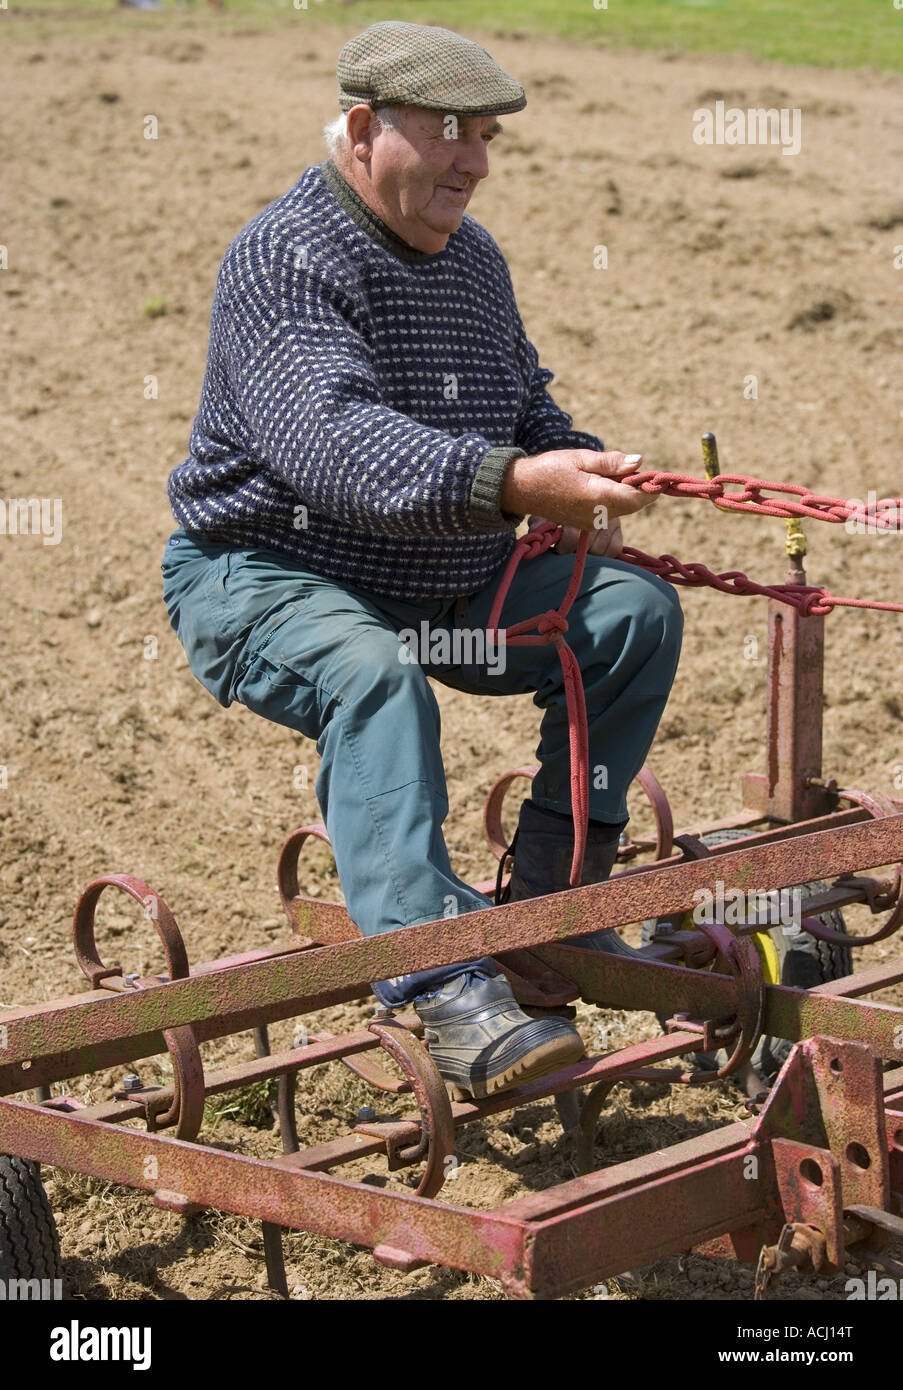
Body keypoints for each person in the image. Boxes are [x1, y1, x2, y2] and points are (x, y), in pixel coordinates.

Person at [162, 21, 683, 1101]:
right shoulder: (286, 258)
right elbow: (334, 444)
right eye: (453, 136)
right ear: (363, 128)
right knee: (373, 677)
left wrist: (579, 464)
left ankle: (556, 915)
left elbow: (520, 404)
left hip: (433, 571)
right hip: (265, 569)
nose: (475, 165)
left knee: (632, 611)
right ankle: (438, 980)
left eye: (487, 139)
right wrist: (512, 485)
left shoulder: (472, 261)